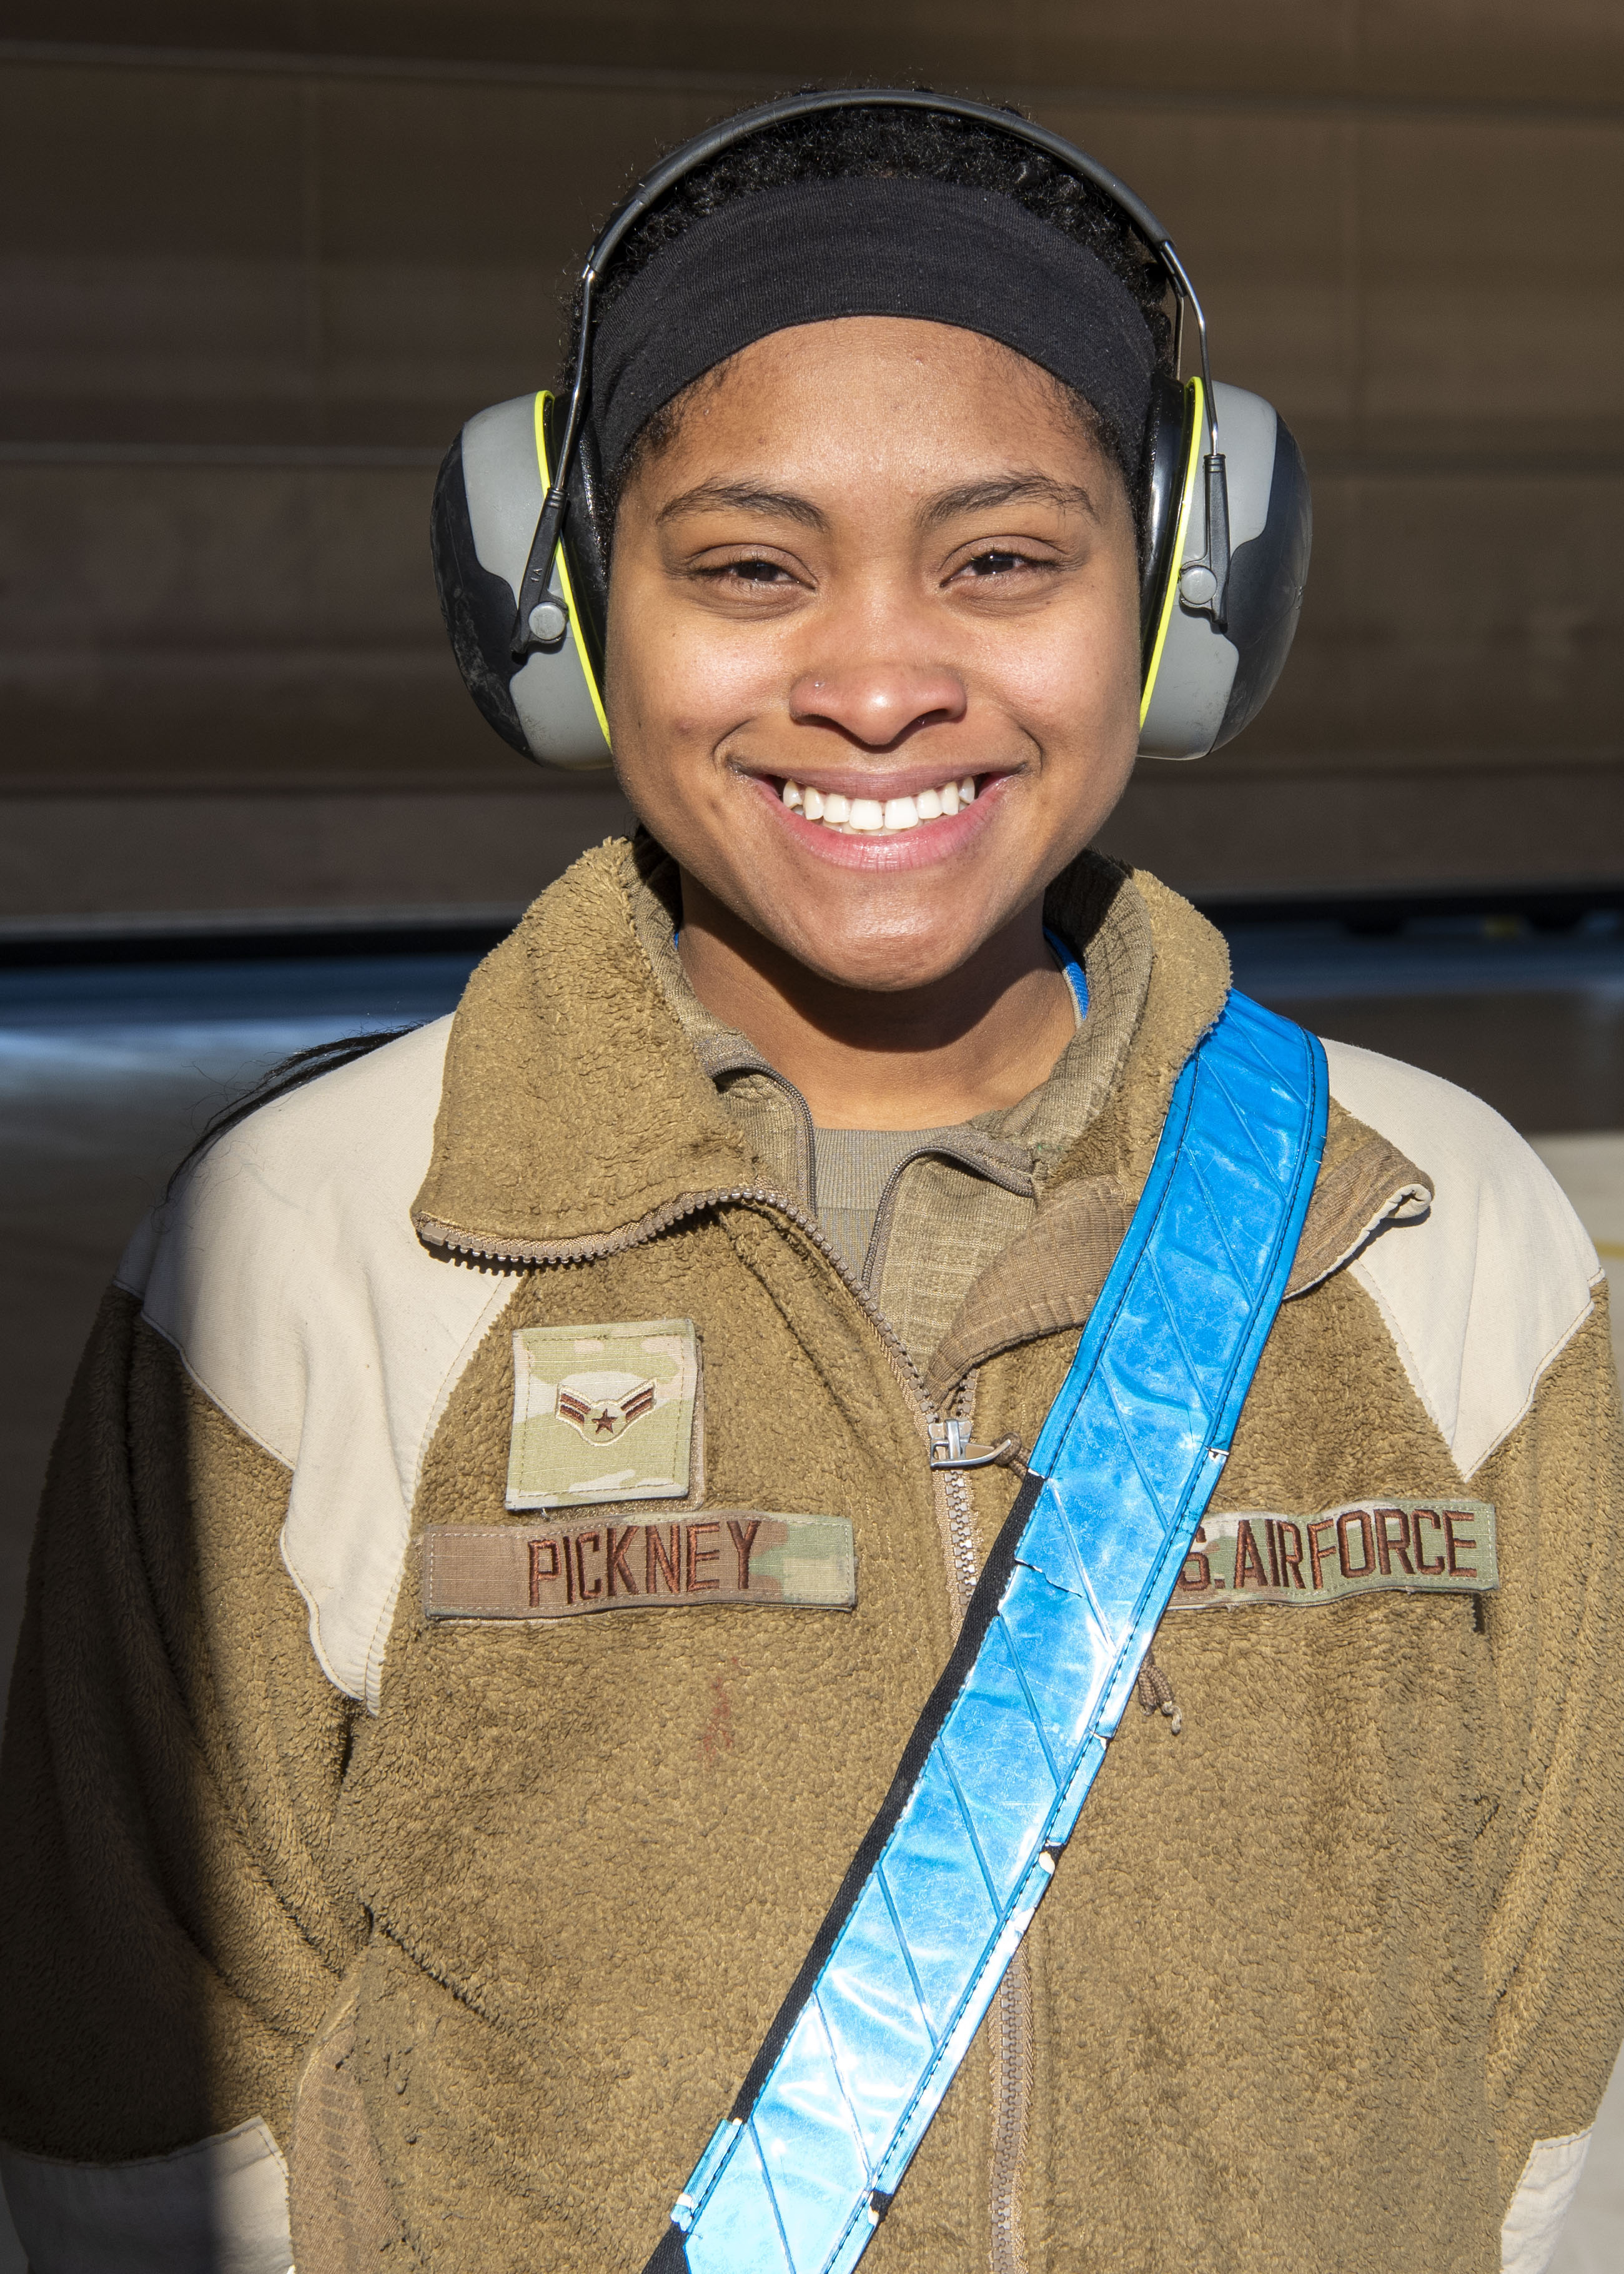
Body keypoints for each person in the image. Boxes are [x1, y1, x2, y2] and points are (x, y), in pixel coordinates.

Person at [1, 91, 1621, 2274]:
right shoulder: (309, 1254)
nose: (876, 681)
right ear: (569, 613)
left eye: (1007, 561)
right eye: (750, 569)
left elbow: (1562, 2071)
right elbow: (137, 2116)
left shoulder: (1435, 1229)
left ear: (1182, 599)